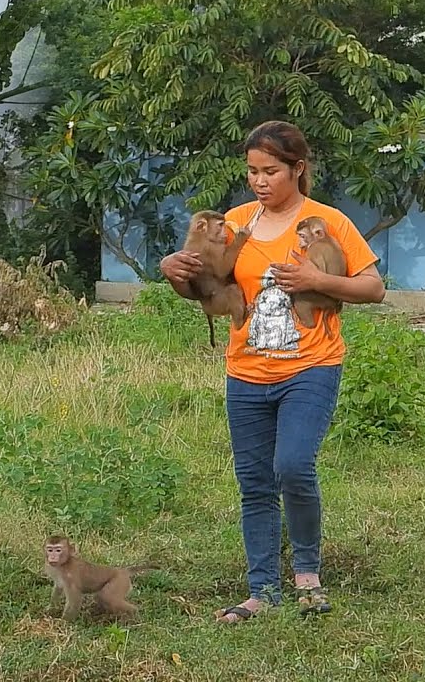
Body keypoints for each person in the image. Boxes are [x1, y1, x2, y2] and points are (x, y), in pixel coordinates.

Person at [158, 120, 385, 622]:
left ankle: (308, 578)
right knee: (255, 483)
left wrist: (315, 278)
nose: (259, 181)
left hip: (311, 368)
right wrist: (175, 273)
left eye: (271, 171)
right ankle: (262, 590)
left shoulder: (327, 222)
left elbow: (373, 288)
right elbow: (206, 289)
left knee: (294, 466)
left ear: (297, 168)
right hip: (245, 374)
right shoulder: (234, 222)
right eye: (252, 171)